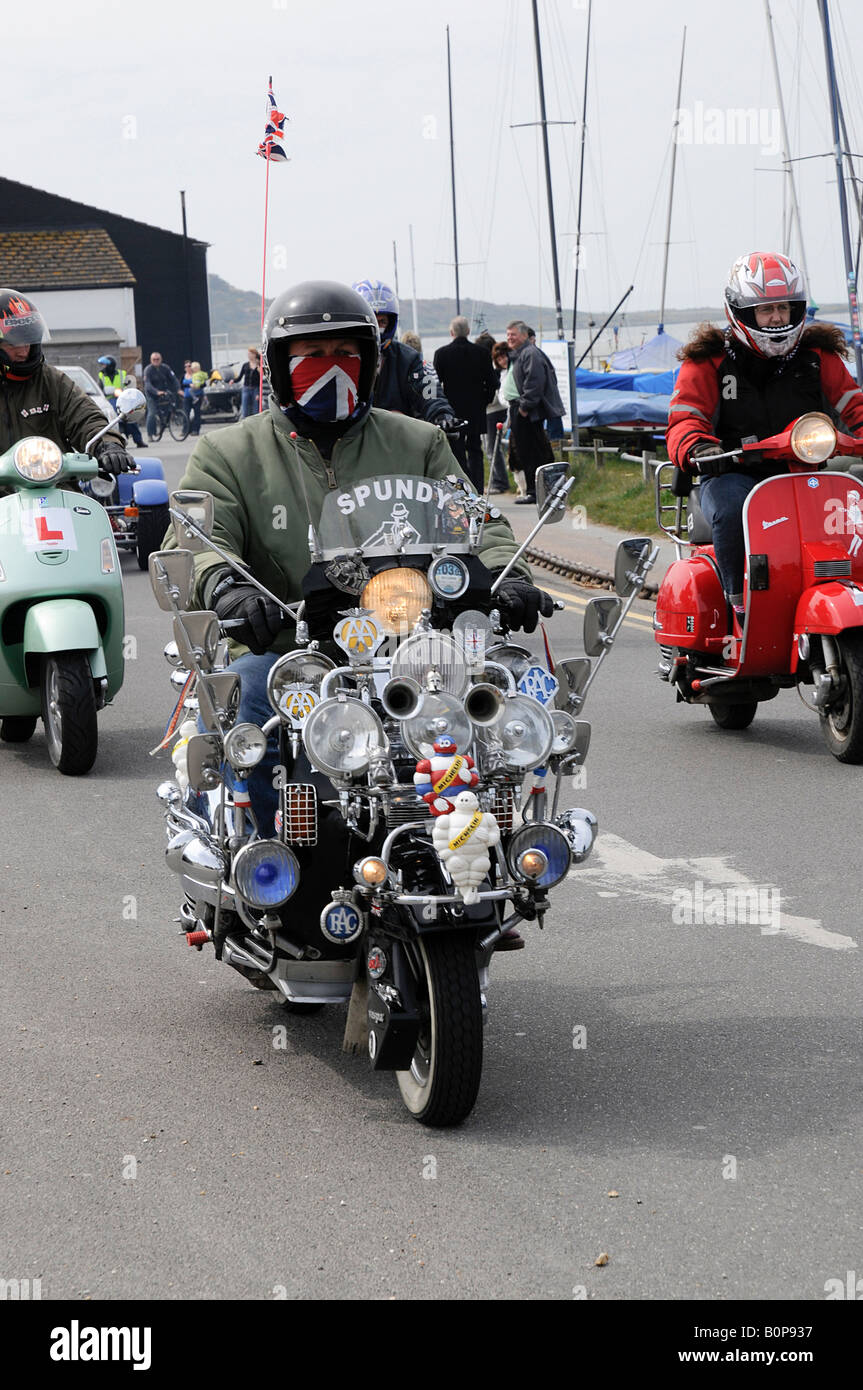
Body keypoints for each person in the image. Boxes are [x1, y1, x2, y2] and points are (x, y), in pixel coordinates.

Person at [165, 280, 553, 838]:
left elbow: (480, 522)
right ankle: (261, 856)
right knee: (244, 695)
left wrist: (508, 575)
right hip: (286, 650)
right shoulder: (227, 452)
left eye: (345, 352)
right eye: (313, 354)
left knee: (509, 690)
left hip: (414, 647)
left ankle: (496, 855)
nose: (331, 366)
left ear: (370, 360)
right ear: (278, 363)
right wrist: (225, 586)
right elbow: (195, 536)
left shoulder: (418, 442)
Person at [667, 250, 863, 621]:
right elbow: (684, 419)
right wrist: (697, 447)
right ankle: (739, 602)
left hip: (804, 473)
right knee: (729, 510)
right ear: (742, 312)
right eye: (765, 310)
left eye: (784, 308)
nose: (777, 317)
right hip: (733, 473)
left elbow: (855, 406)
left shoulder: (817, 356)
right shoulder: (707, 360)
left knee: (853, 512)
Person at [0, 289, 132, 484]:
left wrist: (108, 445)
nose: (24, 352)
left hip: (55, 493)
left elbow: (85, 416)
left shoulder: (51, 380)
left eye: (29, 341)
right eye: (14, 344)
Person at [351, 279, 458, 432]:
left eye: (382, 321)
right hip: (353, 437)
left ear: (391, 322)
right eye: (370, 320)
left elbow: (430, 390)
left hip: (396, 439)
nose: (377, 326)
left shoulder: (409, 358)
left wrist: (442, 415)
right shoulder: (342, 356)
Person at [433, 316, 498, 492]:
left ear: (451, 332)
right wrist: (486, 400)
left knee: (457, 450)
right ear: (468, 331)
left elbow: (435, 385)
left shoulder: (441, 354)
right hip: (476, 409)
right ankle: (477, 487)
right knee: (476, 449)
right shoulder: (482, 353)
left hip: (452, 409)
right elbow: (493, 382)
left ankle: (462, 487)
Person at [506, 319, 565, 503]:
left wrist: (524, 407)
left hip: (526, 411)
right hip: (521, 408)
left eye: (513, 335)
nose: (510, 338)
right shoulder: (521, 353)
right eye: (508, 335)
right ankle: (542, 488)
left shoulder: (530, 353)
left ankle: (535, 491)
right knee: (530, 449)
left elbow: (535, 381)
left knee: (531, 450)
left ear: (524, 335)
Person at [97, 354, 145, 447]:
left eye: (104, 365)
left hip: (123, 399)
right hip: (109, 401)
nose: (103, 367)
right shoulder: (101, 375)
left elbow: (128, 385)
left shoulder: (122, 374)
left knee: (131, 417)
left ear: (110, 365)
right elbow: (99, 388)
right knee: (112, 419)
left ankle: (139, 440)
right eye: (102, 365)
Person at [143, 351, 183, 441]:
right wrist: (156, 392)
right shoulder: (148, 370)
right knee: (152, 413)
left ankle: (168, 417)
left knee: (172, 401)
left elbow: (174, 379)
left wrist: (178, 389)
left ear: (161, 359)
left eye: (158, 359)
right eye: (154, 359)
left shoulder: (165, 368)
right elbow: (148, 384)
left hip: (163, 391)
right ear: (151, 360)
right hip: (151, 393)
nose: (156, 361)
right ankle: (150, 434)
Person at [235, 347, 261, 419]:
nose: (249, 355)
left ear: (255, 354)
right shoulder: (245, 365)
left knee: (256, 409)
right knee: (245, 409)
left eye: (250, 354)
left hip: (256, 389)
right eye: (248, 354)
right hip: (246, 389)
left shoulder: (259, 364)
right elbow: (240, 377)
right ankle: (245, 423)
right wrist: (233, 381)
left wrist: (259, 393)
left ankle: (256, 423)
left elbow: (262, 378)